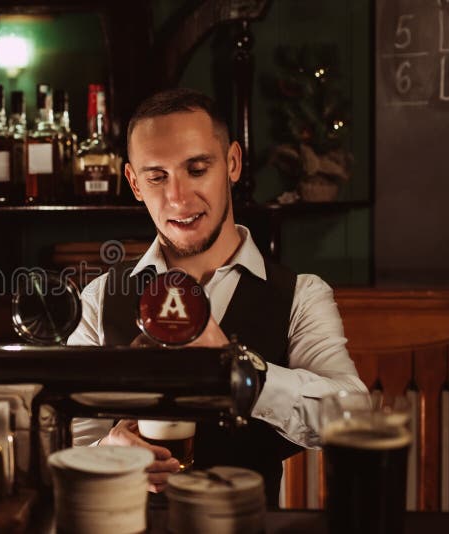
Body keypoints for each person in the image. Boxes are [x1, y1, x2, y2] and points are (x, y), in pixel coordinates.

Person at [66, 88, 367, 504]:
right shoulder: (100, 298)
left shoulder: (301, 295)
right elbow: (66, 448)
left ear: (232, 163)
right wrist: (107, 455)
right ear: (134, 183)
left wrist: (241, 370)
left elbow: (352, 415)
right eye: (157, 176)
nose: (178, 198)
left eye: (196, 169)